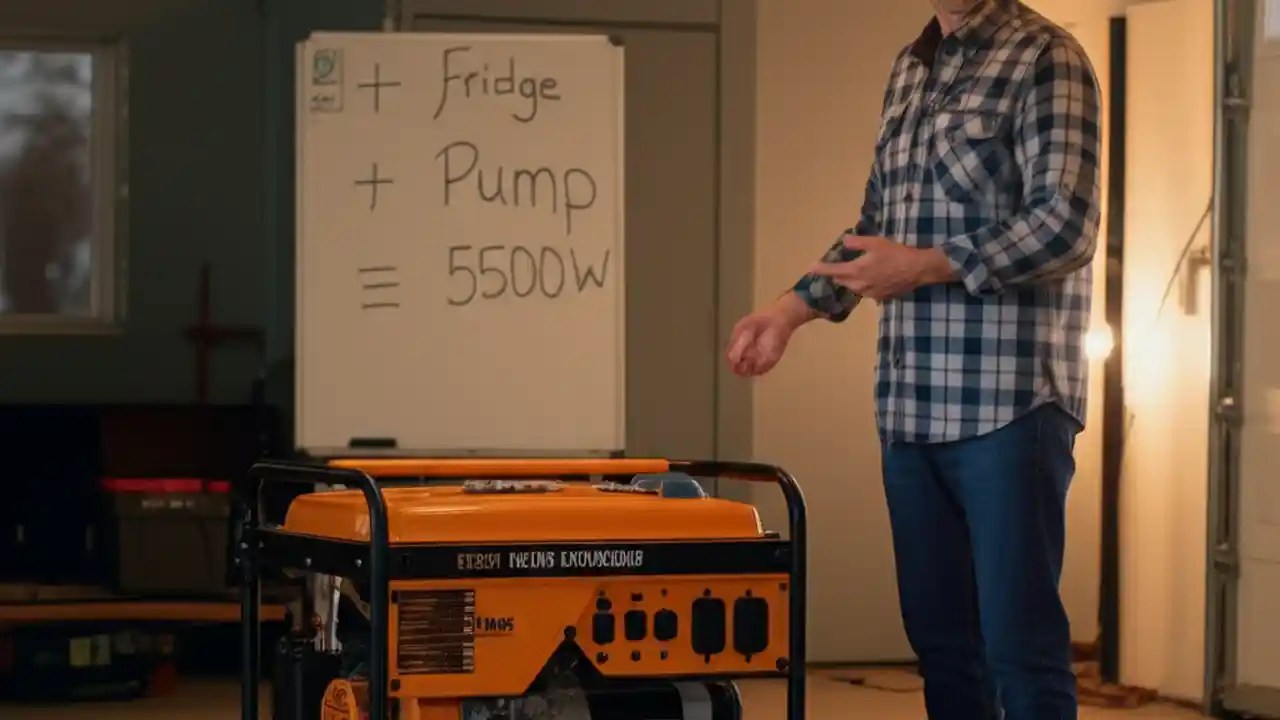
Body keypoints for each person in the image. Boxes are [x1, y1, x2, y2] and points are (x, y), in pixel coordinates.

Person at [726, 0, 1101, 718]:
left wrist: (928, 266)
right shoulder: (911, 68)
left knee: (1019, 651)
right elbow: (876, 231)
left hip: (1009, 407)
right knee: (942, 650)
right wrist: (789, 310)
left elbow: (1066, 224)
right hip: (909, 409)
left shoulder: (1046, 57)